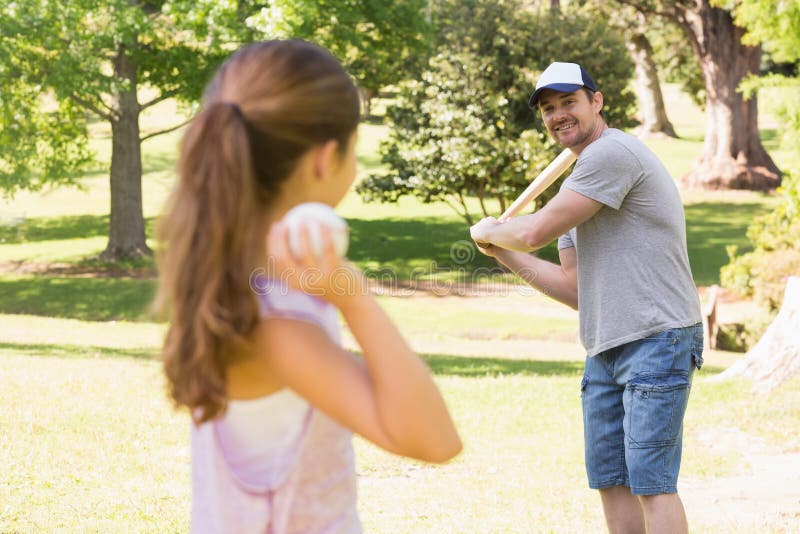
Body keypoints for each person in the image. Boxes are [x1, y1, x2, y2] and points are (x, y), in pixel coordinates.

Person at [155, 40, 461, 533]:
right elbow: (435, 440)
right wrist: (352, 295)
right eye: (354, 149)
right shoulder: (277, 330)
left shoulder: (238, 287)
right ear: (325, 159)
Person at [470, 62, 703, 534]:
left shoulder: (611, 154)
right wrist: (498, 251)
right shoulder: (580, 184)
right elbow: (575, 288)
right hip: (605, 346)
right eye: (549, 109)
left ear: (597, 102)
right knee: (612, 481)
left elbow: (533, 230)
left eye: (569, 102)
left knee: (652, 483)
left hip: (658, 339)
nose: (559, 115)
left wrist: (500, 229)